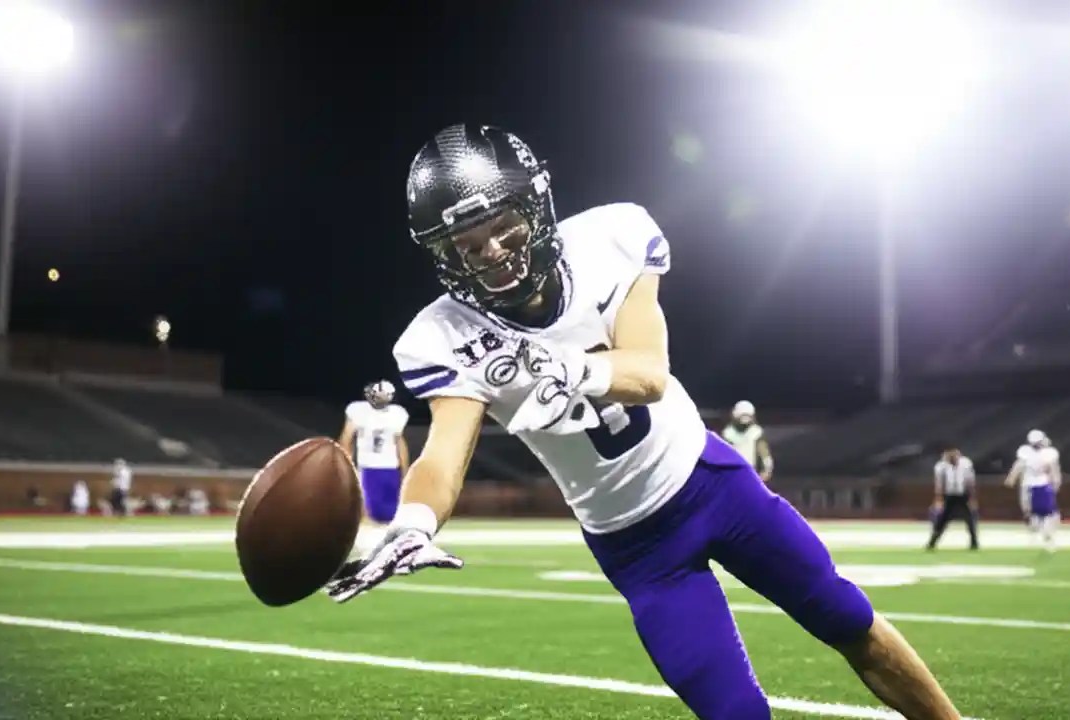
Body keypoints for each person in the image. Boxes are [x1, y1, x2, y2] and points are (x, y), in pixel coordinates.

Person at [325, 124, 961, 719]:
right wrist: (413, 523)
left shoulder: (611, 239)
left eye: (504, 229)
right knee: (736, 712)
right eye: (466, 246)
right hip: (636, 546)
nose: (493, 255)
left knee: (847, 617)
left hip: (714, 485)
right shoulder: (443, 335)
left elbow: (648, 374)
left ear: (536, 207)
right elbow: (443, 454)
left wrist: (557, 363)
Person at [338, 379, 411, 524]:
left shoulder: (394, 413)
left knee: (387, 514)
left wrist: (405, 470)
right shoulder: (361, 411)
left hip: (386, 467)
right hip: (373, 467)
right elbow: (346, 440)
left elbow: (346, 439)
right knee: (368, 512)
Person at [1004, 429, 1061, 551]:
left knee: (1047, 513)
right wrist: (1011, 477)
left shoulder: (1049, 453)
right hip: (1029, 484)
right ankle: (1035, 533)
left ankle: (1047, 536)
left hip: (1042, 484)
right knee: (1029, 511)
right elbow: (1018, 466)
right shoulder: (1025, 452)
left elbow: (1053, 468)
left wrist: (1056, 481)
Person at [925, 444, 978, 550]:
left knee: (970, 519)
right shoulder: (941, 466)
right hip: (949, 496)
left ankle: (974, 543)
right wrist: (939, 499)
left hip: (963, 495)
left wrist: (972, 499)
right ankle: (932, 542)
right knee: (941, 520)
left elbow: (970, 482)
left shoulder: (966, 464)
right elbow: (939, 484)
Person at [721, 400, 774, 483]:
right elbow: (722, 455)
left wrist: (767, 469)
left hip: (750, 473)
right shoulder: (728, 434)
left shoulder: (756, 433)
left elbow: (765, 453)